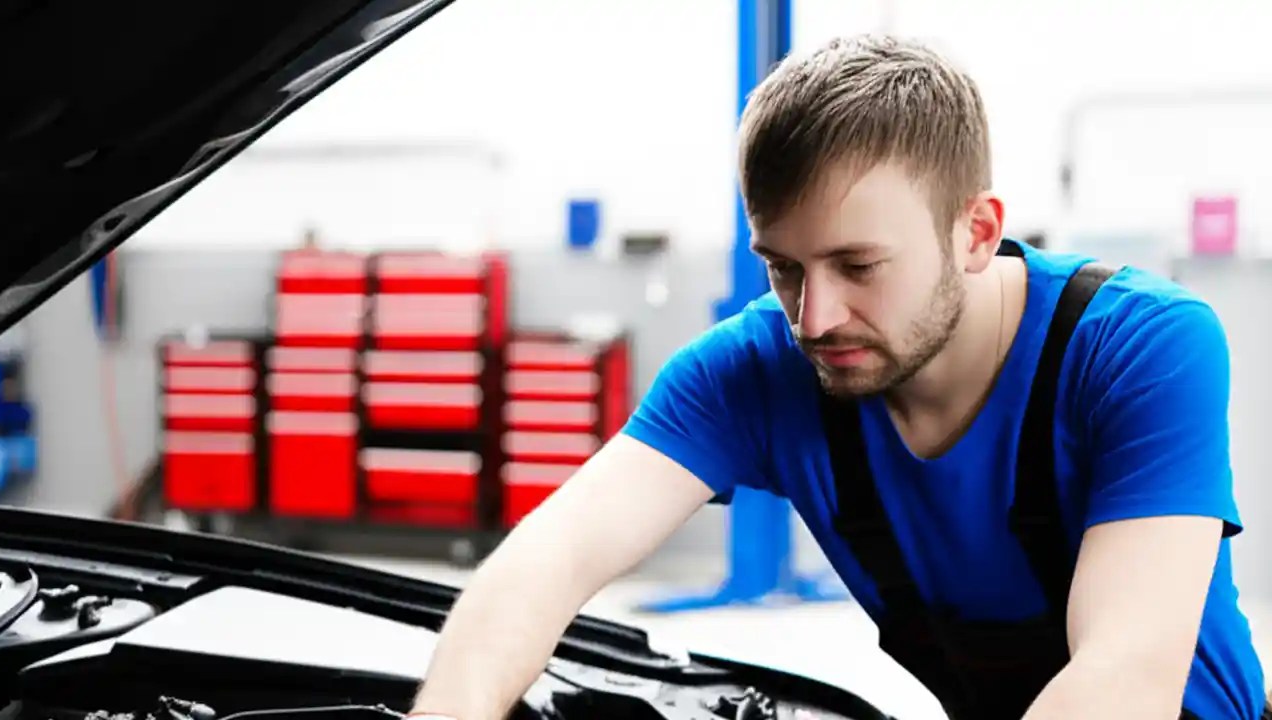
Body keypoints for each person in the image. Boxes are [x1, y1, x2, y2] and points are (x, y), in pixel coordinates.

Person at [408, 34, 1268, 720]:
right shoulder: (751, 369)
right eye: (783, 267)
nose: (813, 319)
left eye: (859, 265)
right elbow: (545, 562)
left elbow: (1124, 678)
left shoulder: (1139, 348)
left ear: (975, 232)